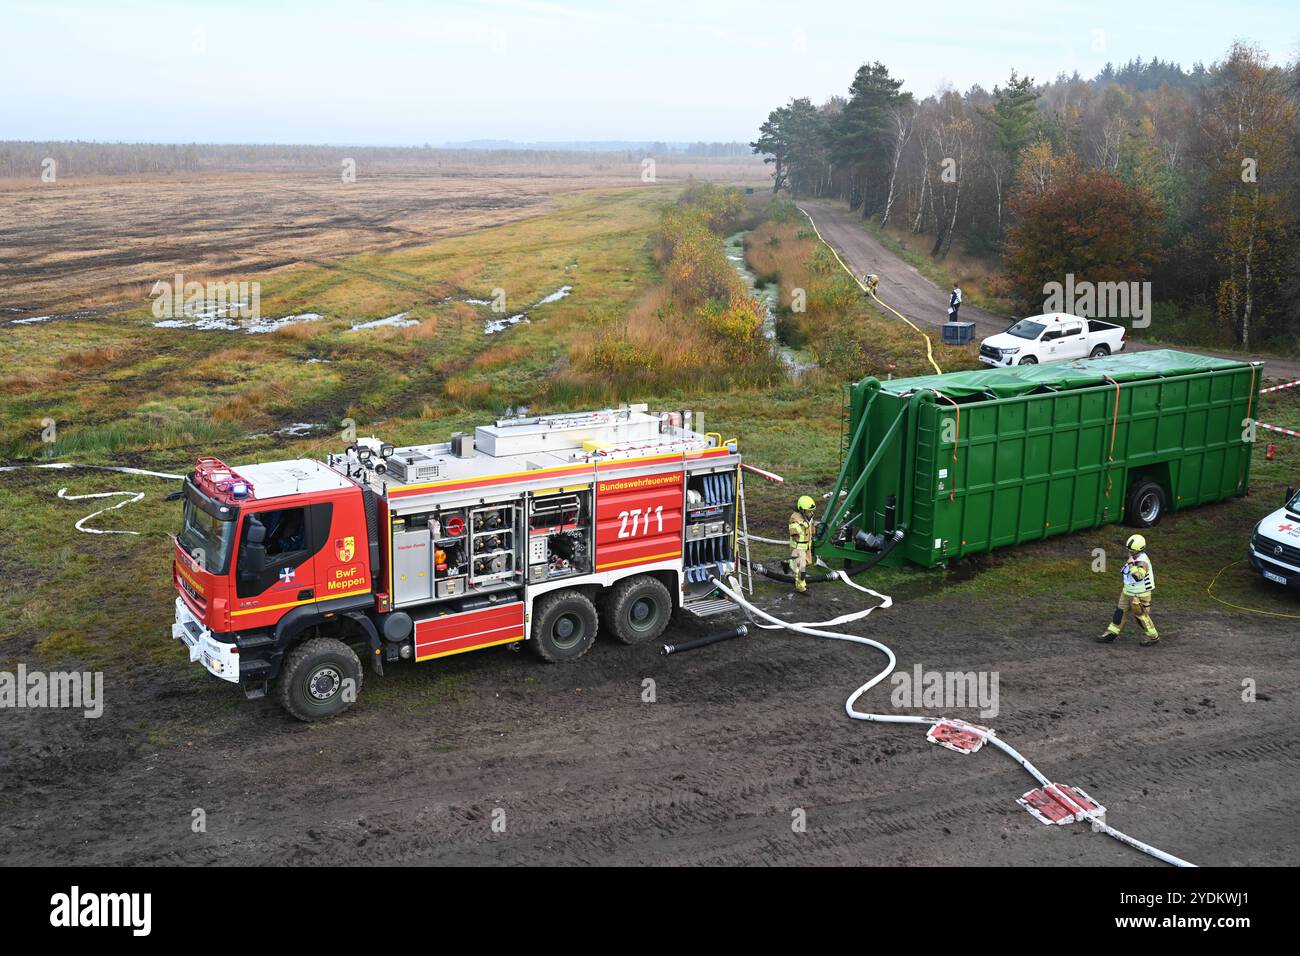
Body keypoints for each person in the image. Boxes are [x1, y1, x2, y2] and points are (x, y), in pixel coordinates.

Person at [1097, 533, 1159, 646]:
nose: (1129, 553)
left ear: (1139, 550)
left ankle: (1153, 637)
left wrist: (1131, 564)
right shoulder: (1135, 557)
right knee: (1119, 613)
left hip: (1139, 595)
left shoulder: (1142, 561)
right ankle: (1111, 634)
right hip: (1127, 592)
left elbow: (1138, 576)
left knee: (1141, 617)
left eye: (1132, 551)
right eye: (1129, 550)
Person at [788, 495, 816, 594]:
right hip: (798, 547)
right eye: (809, 511)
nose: (811, 513)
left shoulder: (808, 518)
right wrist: (804, 524)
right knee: (801, 570)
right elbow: (795, 533)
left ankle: (802, 582)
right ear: (802, 510)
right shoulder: (795, 519)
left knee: (806, 565)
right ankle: (800, 587)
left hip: (806, 546)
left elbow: (812, 531)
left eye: (812, 511)